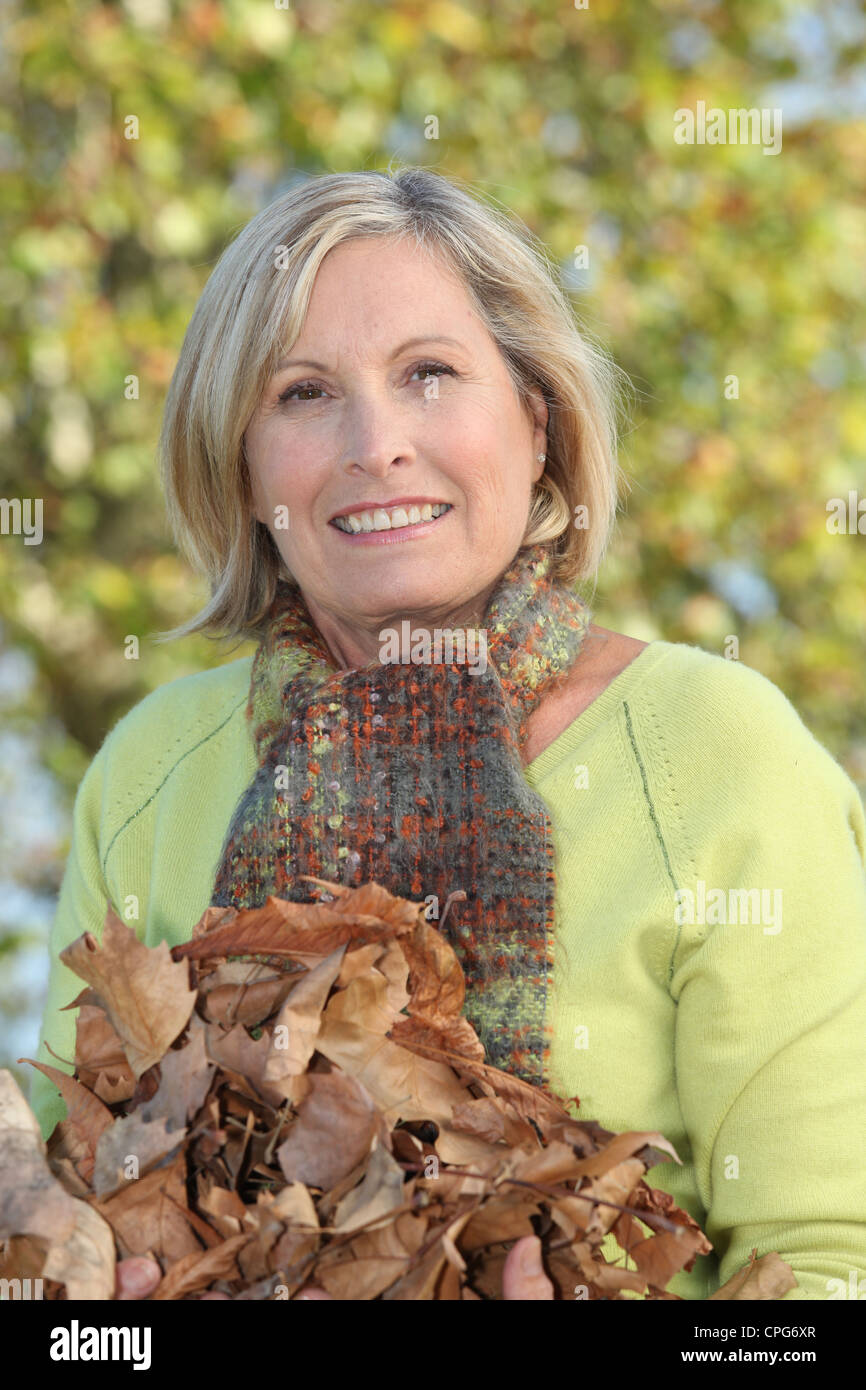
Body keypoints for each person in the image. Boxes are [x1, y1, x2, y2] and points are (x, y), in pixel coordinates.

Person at [29, 166, 866, 1302]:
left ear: (536, 422)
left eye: (428, 374)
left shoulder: (713, 753)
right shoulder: (149, 773)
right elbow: (51, 1223)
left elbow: (828, 1269)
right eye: (303, 394)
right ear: (243, 463)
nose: (375, 443)